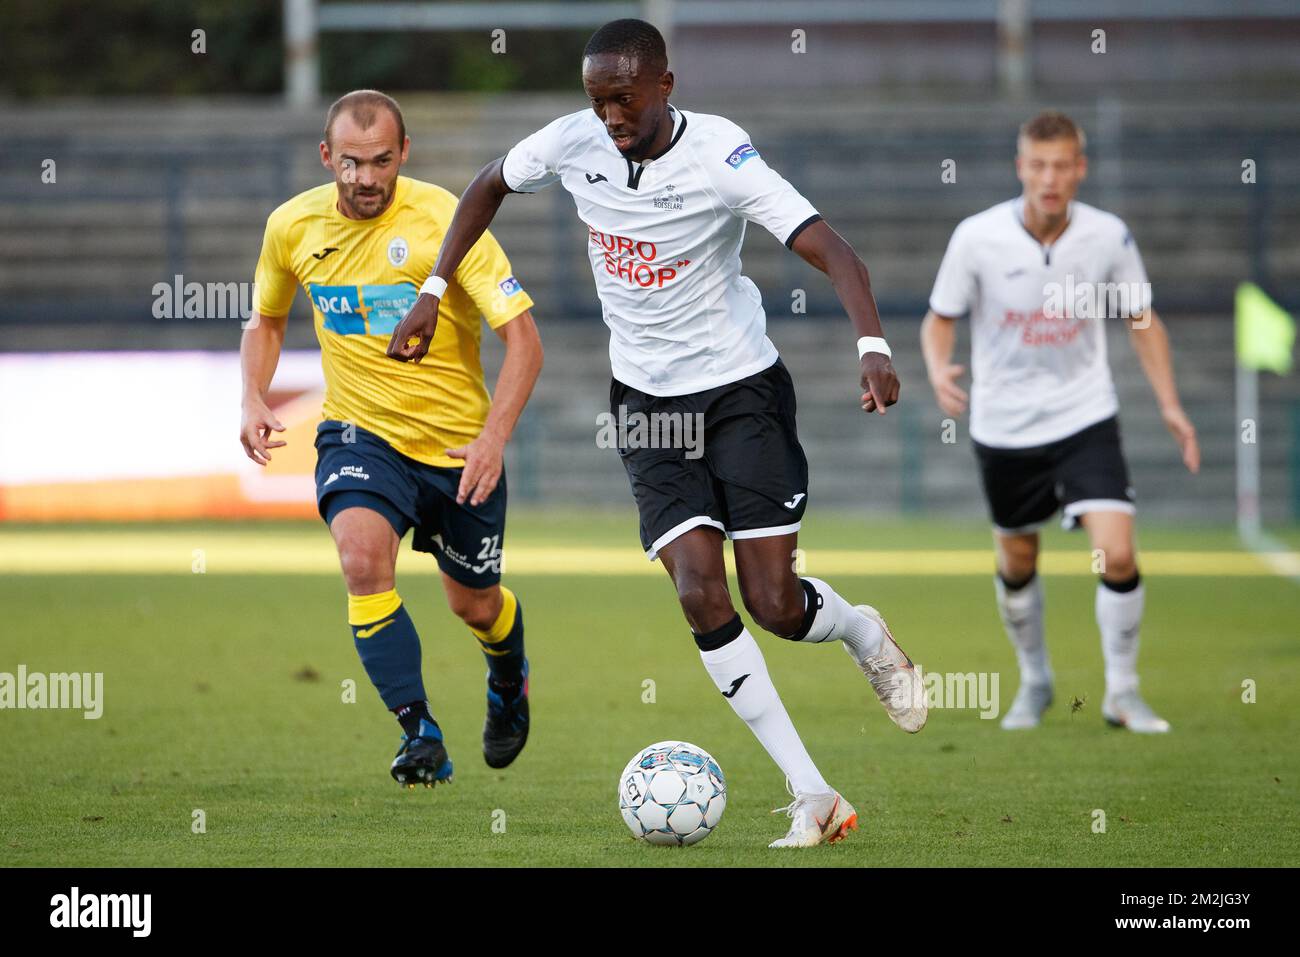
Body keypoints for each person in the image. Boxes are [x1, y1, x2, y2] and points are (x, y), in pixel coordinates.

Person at [387, 20, 927, 848]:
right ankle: (814, 794)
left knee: (775, 604)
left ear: (665, 86)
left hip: (743, 394)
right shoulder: (574, 142)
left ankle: (861, 630)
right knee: (697, 591)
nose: (609, 116)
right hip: (648, 406)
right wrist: (432, 285)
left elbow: (837, 252)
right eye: (598, 99)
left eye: (624, 99)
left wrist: (874, 345)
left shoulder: (720, 154)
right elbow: (488, 185)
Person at [239, 89, 543, 786]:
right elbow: (267, 318)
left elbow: (524, 341)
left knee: (475, 603)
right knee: (360, 560)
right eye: (350, 162)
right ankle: (420, 732)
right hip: (359, 435)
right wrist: (253, 392)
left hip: (458, 449)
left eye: (380, 161)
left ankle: (507, 670)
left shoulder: (448, 221)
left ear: (403, 154)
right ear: (326, 157)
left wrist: (495, 436)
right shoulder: (291, 227)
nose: (366, 178)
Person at [920, 110, 1200, 734]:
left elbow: (1142, 320)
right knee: (1019, 562)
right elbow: (940, 316)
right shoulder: (977, 237)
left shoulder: (1108, 236)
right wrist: (938, 370)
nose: (1050, 178)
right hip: (1005, 426)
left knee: (1117, 554)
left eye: (1062, 166)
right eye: (1038, 165)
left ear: (1080, 169)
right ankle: (1036, 679)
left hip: (1084, 416)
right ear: (1022, 167)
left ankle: (1122, 693)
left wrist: (1172, 407)